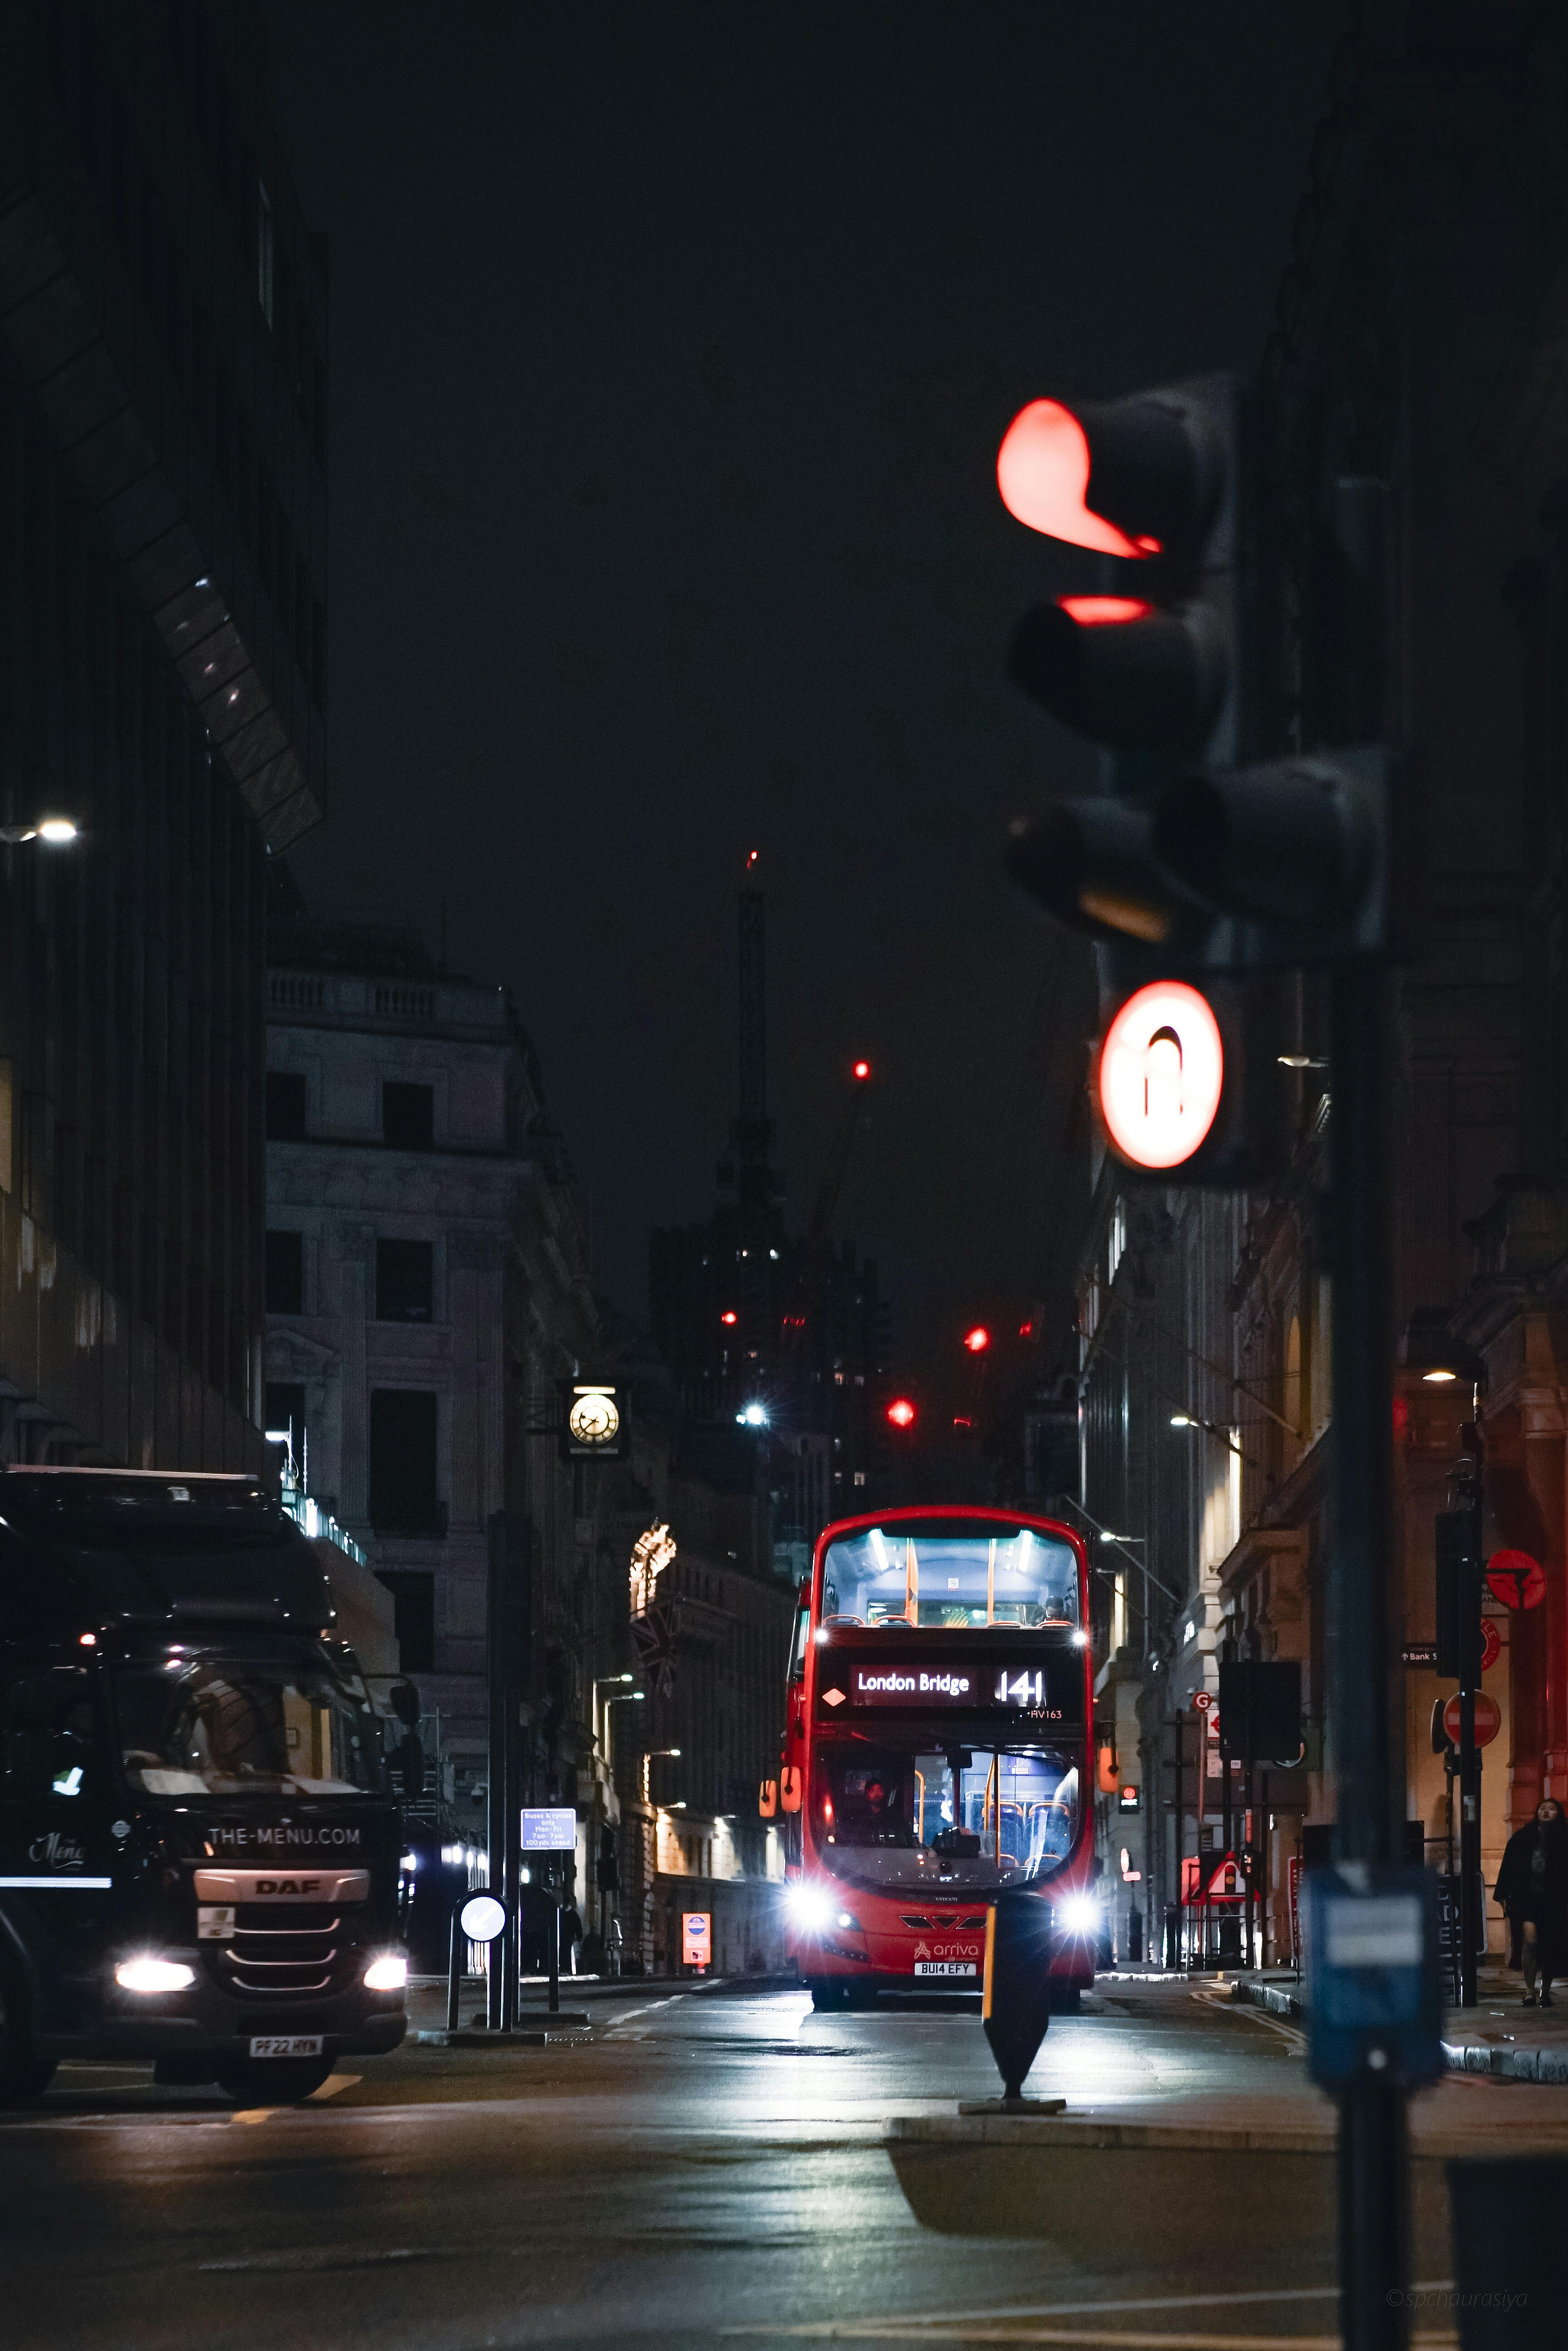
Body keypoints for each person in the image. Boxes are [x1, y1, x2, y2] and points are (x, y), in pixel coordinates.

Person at [1495, 1798, 1568, 2006]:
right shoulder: (1523, 1838)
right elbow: (1509, 1864)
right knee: (1530, 1942)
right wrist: (1503, 1895)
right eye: (1543, 1809)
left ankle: (1545, 1992)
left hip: (1553, 1900)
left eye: (1551, 1809)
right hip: (1526, 1899)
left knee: (1550, 1946)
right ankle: (1529, 1991)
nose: (1546, 1812)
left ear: (1558, 1814)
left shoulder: (1564, 1838)